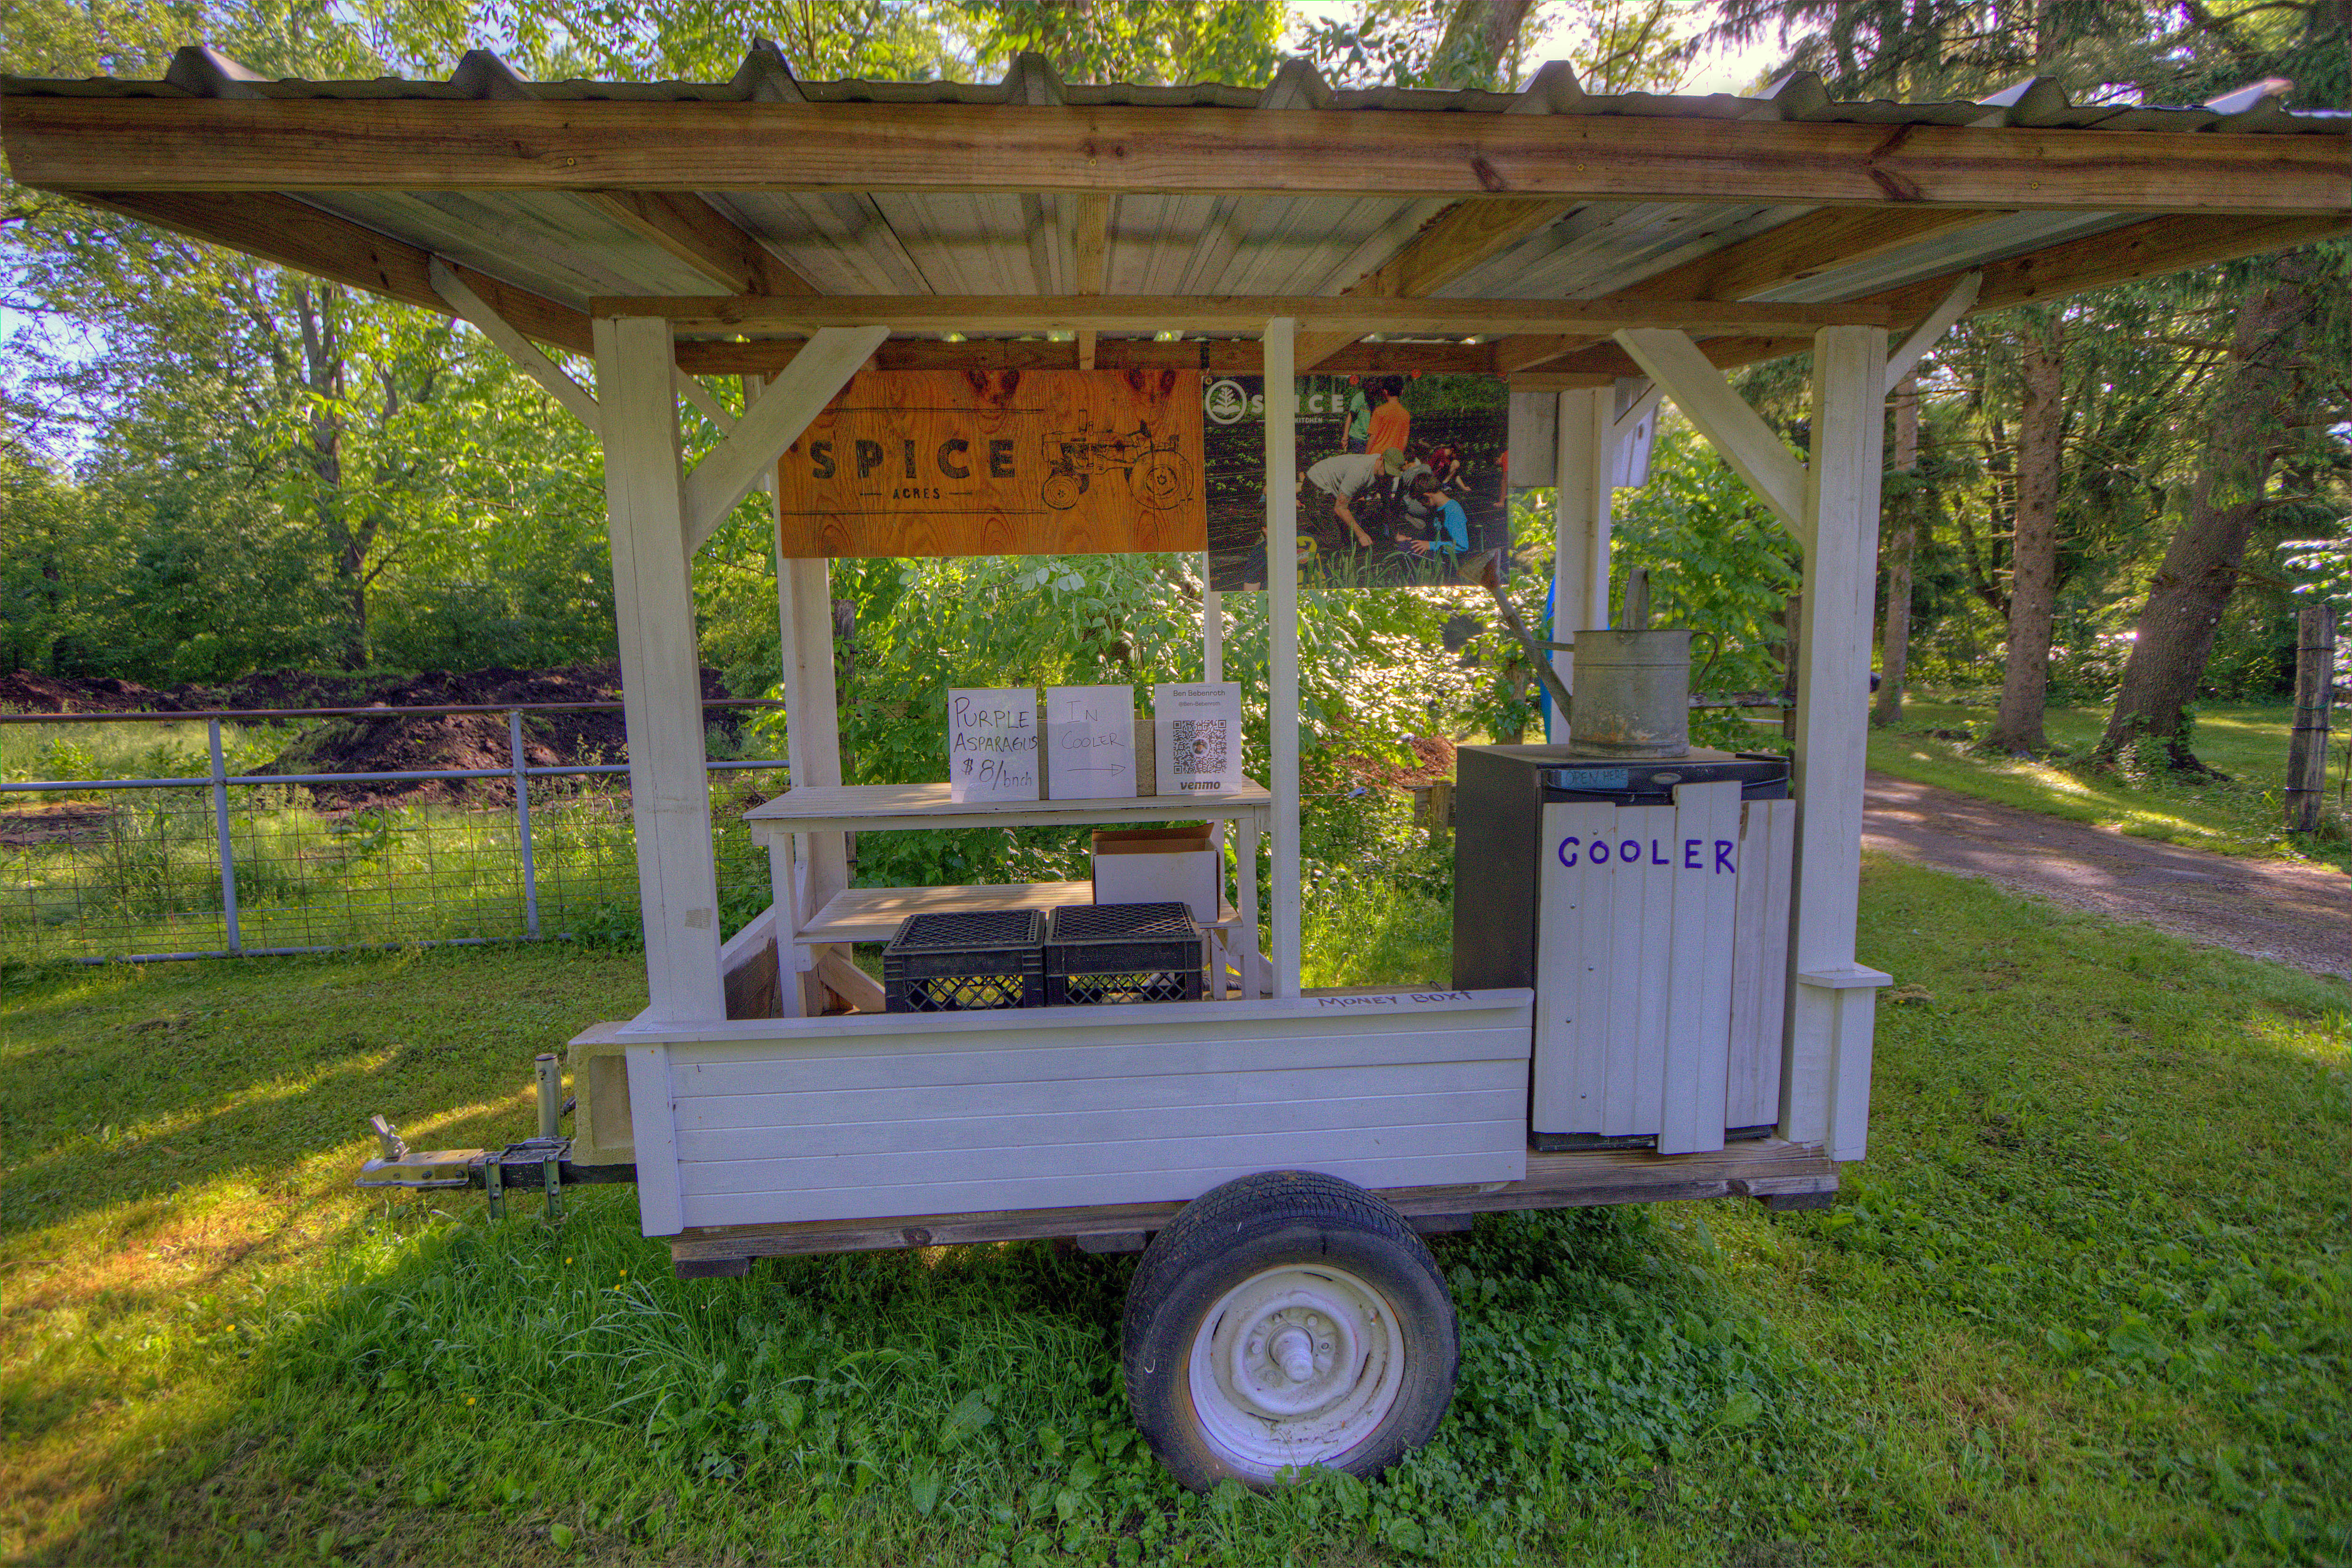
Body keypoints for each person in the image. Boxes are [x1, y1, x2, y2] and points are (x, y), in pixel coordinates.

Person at [1300, 447, 1409, 551]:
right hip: (1316, 486)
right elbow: (1340, 508)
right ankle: (1298, 537)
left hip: (1335, 492)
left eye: (1391, 474)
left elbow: (1387, 504)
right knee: (1334, 540)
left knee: (1347, 537)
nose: (1388, 476)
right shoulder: (1360, 471)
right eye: (1387, 470)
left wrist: (1395, 535)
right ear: (1381, 459)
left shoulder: (1385, 475)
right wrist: (1361, 534)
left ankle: (1318, 529)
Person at [1394, 472, 1469, 578]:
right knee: (1405, 546)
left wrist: (1430, 545)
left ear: (1427, 496)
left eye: (1421, 501)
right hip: (1438, 549)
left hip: (1450, 560)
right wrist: (1415, 540)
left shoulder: (1453, 512)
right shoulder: (1437, 509)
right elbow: (1433, 534)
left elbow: (1462, 546)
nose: (1422, 505)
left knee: (1405, 552)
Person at [1362, 376, 1411, 462]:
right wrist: (1399, 459)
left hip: (1377, 458)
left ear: (1385, 391)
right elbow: (1405, 440)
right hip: (1393, 459)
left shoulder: (1379, 411)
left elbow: (1373, 437)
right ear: (1402, 392)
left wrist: (1366, 458)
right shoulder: (1406, 414)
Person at [1342, 378, 1372, 454]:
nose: (1371, 389)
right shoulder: (1359, 398)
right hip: (1356, 438)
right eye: (1370, 386)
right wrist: (1345, 438)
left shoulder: (1372, 400)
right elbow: (1350, 416)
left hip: (1367, 439)